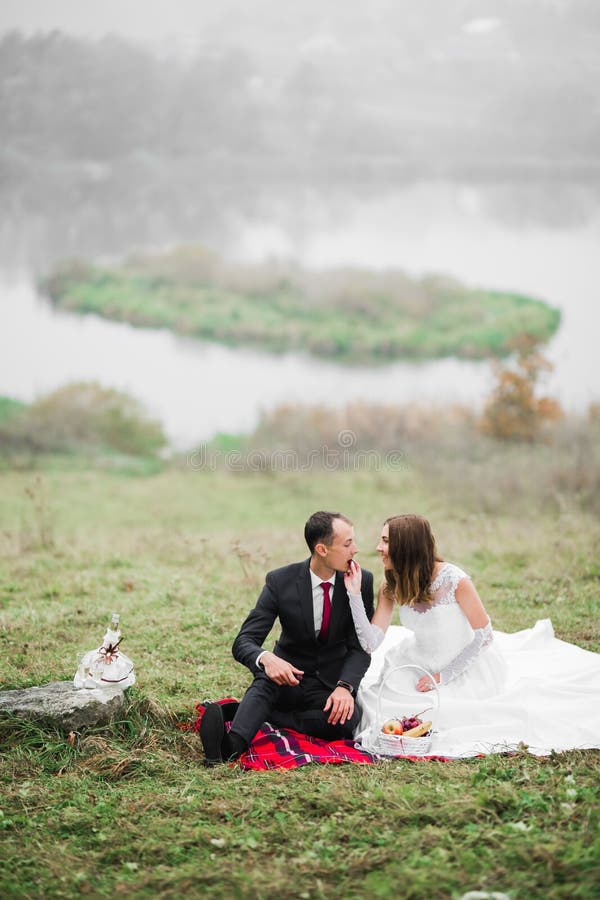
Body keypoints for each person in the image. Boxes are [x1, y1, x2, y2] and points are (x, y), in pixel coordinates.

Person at [345, 514, 600, 757]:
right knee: (384, 705)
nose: (378, 547)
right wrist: (354, 596)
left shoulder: (454, 580)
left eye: (386, 541)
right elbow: (370, 642)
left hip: (462, 664)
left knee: (450, 713)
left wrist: (444, 676)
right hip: (418, 661)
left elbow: (484, 636)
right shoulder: (391, 583)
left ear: (407, 546)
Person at [199, 510, 374, 765]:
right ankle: (230, 746)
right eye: (347, 544)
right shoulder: (280, 581)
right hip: (286, 679)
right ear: (322, 549)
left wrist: (345, 687)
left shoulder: (362, 580)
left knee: (346, 720)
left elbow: (361, 648)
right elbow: (244, 641)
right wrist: (266, 658)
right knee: (264, 683)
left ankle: (250, 713)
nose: (355, 549)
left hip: (328, 685)